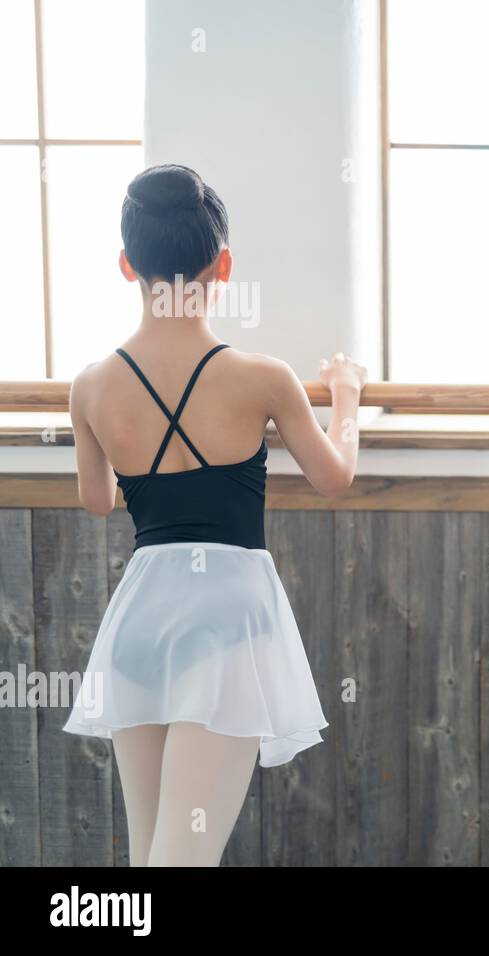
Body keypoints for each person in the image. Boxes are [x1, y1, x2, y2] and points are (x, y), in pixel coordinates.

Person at [64, 164, 367, 866]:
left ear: (126, 264)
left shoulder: (91, 385)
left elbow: (98, 500)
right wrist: (346, 398)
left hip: (140, 622)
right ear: (222, 265)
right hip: (228, 621)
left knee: (150, 858)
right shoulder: (261, 377)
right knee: (182, 859)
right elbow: (334, 475)